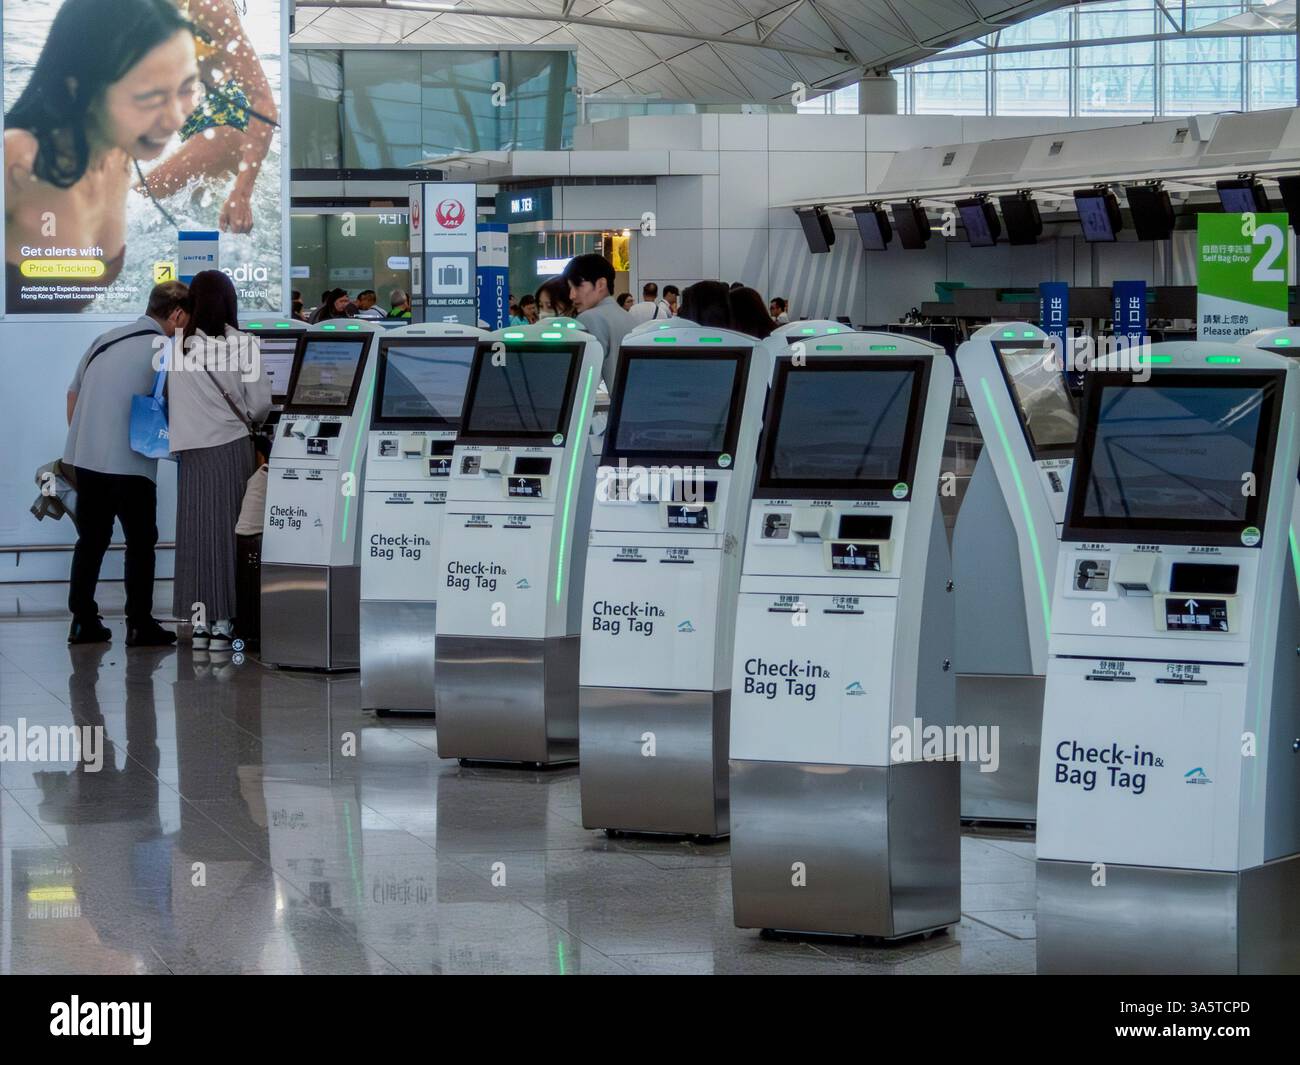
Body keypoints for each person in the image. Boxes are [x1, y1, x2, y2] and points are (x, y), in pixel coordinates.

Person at [4, 0, 200, 313]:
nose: (176, 119)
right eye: (149, 97)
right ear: (77, 88)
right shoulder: (15, 159)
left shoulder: (119, 154)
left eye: (187, 88)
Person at [64, 281, 190, 646]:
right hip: (131, 464)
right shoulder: (165, 348)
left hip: (86, 460)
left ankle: (82, 621)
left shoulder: (105, 339)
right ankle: (139, 623)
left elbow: (73, 394)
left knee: (91, 540)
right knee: (140, 542)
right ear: (177, 314)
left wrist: (87, 439)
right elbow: (174, 403)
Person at [167, 270, 272, 653]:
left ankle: (200, 625)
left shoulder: (179, 345)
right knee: (232, 535)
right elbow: (260, 405)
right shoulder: (244, 345)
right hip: (229, 448)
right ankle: (227, 623)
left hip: (191, 454)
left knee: (197, 537)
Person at [135, 0, 278, 235]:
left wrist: (242, 193)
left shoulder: (208, 5)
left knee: (132, 205)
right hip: (198, 130)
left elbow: (264, 102)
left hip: (223, 131)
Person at [562, 253, 632, 387]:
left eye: (577, 286)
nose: (572, 295)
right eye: (570, 288)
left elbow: (583, 377)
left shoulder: (589, 318)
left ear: (600, 284)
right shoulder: (628, 317)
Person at [234, 434, 270, 650]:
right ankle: (254, 632)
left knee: (245, 590)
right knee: (253, 591)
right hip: (256, 541)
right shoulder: (265, 477)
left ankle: (245, 631)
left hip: (244, 541)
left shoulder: (258, 477)